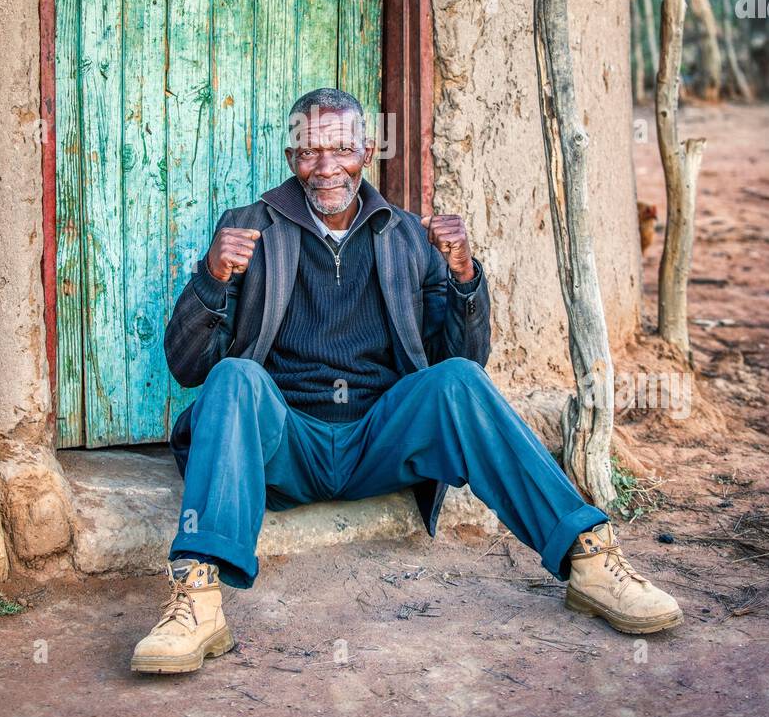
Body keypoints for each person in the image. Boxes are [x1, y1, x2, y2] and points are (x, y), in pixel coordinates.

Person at [131, 87, 682, 674]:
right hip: (285, 444)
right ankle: (198, 598)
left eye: (342, 149)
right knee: (234, 377)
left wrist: (465, 277)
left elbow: (462, 358)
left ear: (366, 152)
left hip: (379, 441)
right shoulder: (249, 227)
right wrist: (213, 280)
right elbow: (187, 367)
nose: (326, 168)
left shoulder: (407, 237)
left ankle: (589, 558)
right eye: (310, 152)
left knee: (459, 382)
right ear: (291, 157)